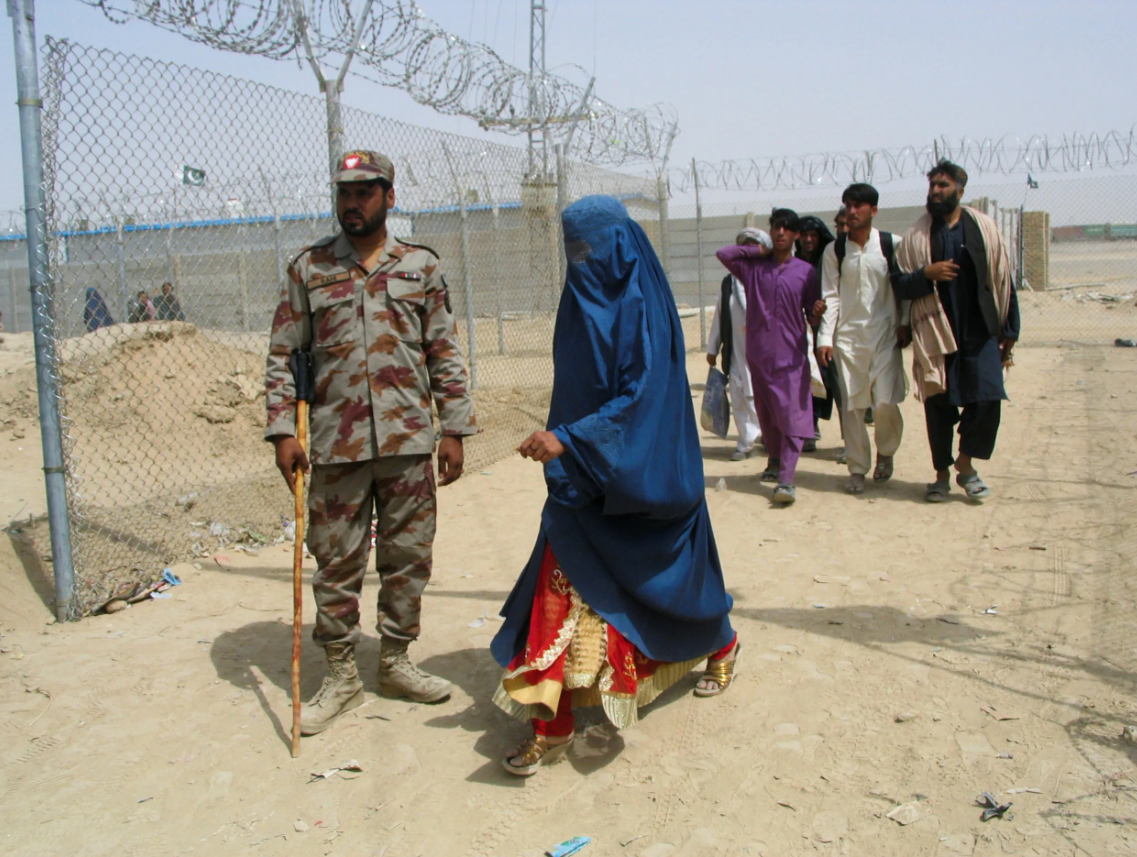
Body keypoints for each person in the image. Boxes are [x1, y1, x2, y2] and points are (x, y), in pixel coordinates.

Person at [492, 196, 739, 777]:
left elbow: (645, 395)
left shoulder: (642, 305)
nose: (583, 262)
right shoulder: (579, 297)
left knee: (675, 584)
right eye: (572, 251)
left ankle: (722, 643)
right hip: (583, 476)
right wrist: (570, 445)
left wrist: (572, 440)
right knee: (560, 576)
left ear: (621, 245)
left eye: (592, 249)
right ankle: (549, 725)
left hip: (644, 466)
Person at [265, 149, 477, 735]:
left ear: (389, 196)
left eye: (364, 192)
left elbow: (443, 352)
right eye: (344, 193)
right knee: (337, 560)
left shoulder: (420, 268)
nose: (352, 203)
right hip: (335, 444)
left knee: (408, 556)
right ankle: (341, 675)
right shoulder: (309, 269)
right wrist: (283, 429)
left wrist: (454, 427)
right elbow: (283, 354)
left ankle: (395, 661)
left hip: (408, 439)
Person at [892, 160, 1019, 502]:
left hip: (979, 333)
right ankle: (941, 475)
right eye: (932, 186)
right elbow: (899, 285)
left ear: (960, 191)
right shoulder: (916, 237)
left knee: (989, 399)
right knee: (939, 407)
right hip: (935, 334)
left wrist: (1010, 327)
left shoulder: (984, 228)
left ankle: (965, 464)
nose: (935, 192)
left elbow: (1003, 276)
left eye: (943, 186)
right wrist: (926, 275)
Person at [717, 209, 823, 504]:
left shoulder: (805, 272)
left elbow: (812, 316)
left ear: (796, 236)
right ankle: (775, 460)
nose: (781, 234)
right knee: (767, 413)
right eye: (777, 228)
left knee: (792, 416)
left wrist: (815, 315)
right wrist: (757, 250)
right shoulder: (753, 269)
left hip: (791, 357)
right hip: (758, 356)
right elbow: (723, 253)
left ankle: (786, 480)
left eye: (788, 229)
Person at [816, 183, 910, 495]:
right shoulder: (835, 250)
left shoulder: (891, 244)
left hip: (884, 336)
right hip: (848, 340)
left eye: (859, 205)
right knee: (853, 407)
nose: (852, 211)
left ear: (873, 210)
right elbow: (830, 296)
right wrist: (825, 337)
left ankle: (886, 450)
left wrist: (905, 323)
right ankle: (857, 467)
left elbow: (904, 289)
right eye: (848, 205)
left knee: (884, 401)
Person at [706, 227, 769, 460]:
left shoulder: (768, 277)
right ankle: (745, 444)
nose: (748, 250)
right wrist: (713, 348)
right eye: (744, 246)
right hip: (737, 349)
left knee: (763, 396)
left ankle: (768, 437)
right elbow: (720, 316)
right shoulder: (729, 283)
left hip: (763, 350)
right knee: (740, 396)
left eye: (754, 245)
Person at [795, 215, 838, 452]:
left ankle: (816, 423)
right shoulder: (793, 262)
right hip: (802, 329)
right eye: (805, 235)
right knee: (804, 378)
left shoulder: (829, 260)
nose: (809, 240)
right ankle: (808, 426)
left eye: (813, 235)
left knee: (826, 377)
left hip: (827, 329)